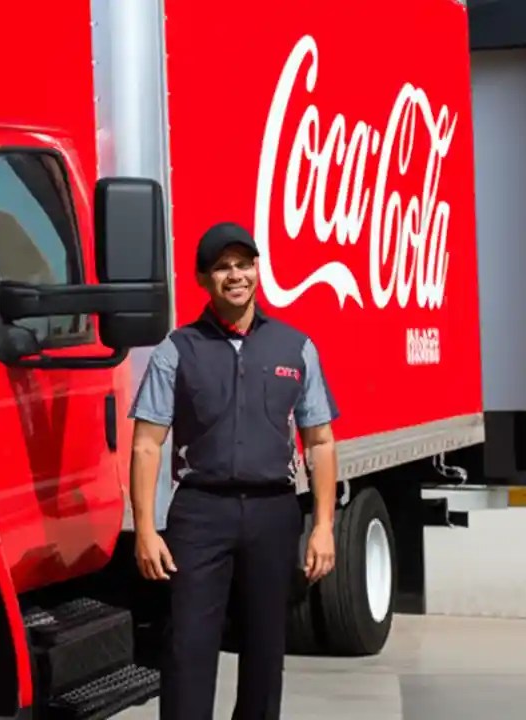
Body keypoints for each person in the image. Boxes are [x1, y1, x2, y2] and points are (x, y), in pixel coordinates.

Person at [127, 221, 340, 719]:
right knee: (188, 649)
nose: (235, 275)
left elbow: (322, 442)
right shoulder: (176, 351)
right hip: (201, 514)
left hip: (273, 512)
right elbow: (145, 445)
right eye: (223, 267)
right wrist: (143, 528)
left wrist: (324, 526)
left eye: (244, 264)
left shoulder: (296, 348)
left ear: (258, 270)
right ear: (204, 279)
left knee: (266, 649)